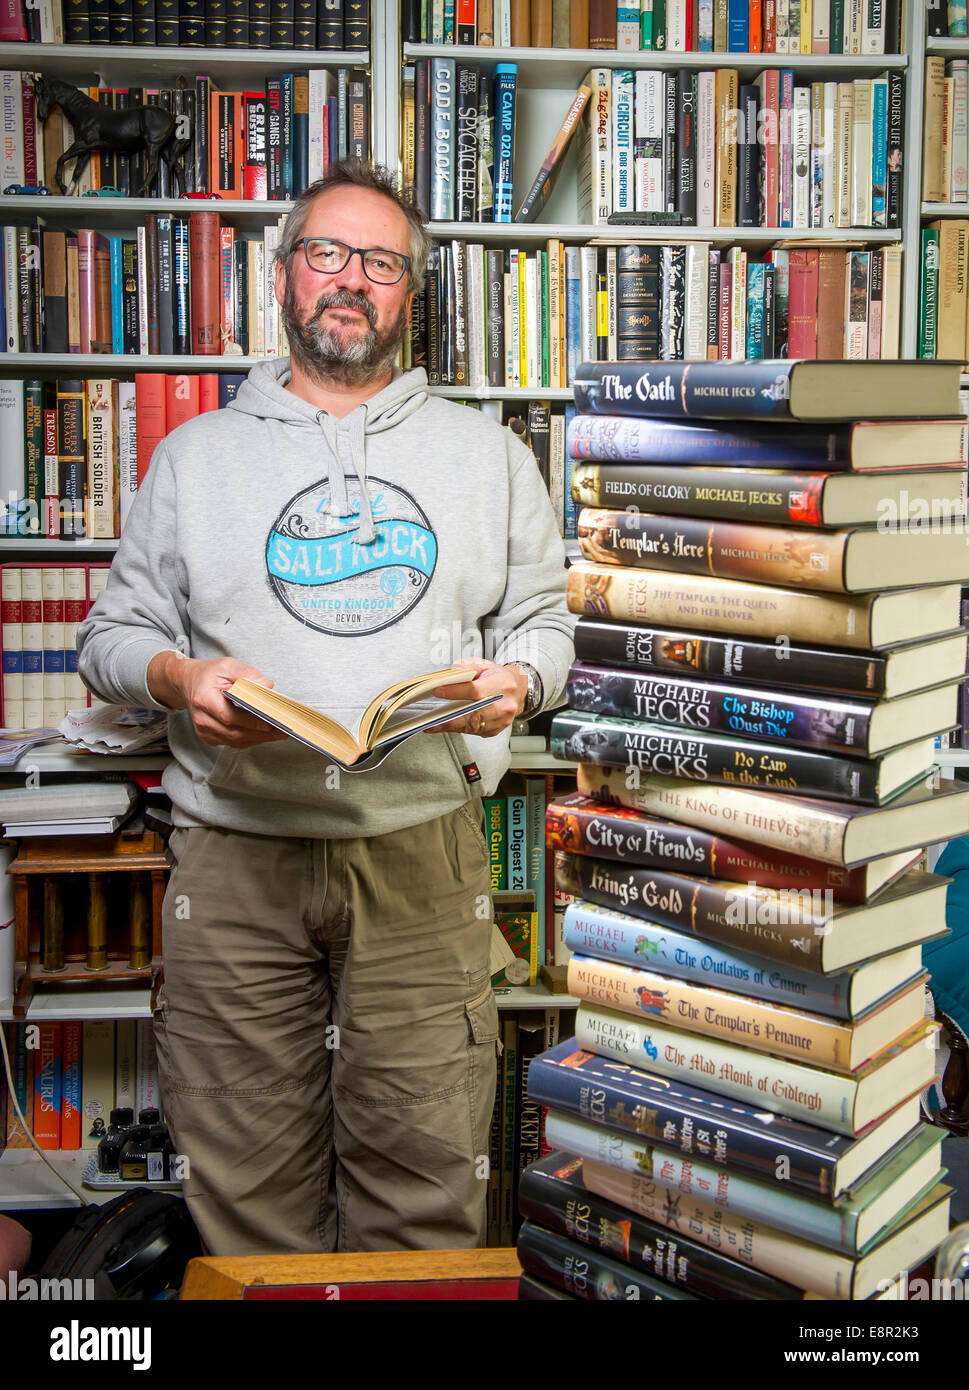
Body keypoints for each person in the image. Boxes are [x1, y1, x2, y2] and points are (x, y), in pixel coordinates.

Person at [77, 158, 577, 1256]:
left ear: (410, 293)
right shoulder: (191, 457)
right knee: (245, 1177)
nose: (352, 280)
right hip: (234, 856)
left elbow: (546, 622)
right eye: (328, 253)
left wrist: (519, 681)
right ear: (286, 274)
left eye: (383, 263)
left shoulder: (488, 458)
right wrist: (179, 679)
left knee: (425, 1167)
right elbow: (110, 638)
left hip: (421, 850)